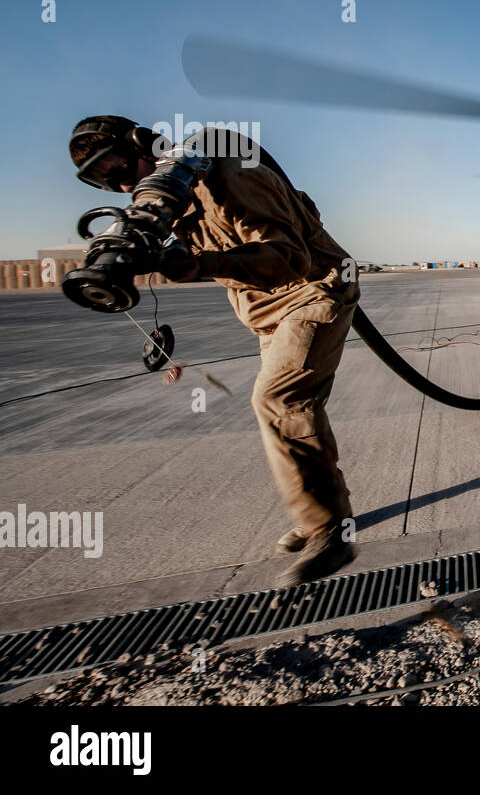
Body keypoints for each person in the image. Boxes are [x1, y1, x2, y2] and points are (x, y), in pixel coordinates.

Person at [68, 116, 359, 587]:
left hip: (313, 292)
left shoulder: (230, 175)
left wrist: (196, 264)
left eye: (118, 165)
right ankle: (319, 515)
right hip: (267, 311)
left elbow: (289, 258)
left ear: (144, 145)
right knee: (293, 412)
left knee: (280, 401)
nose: (120, 183)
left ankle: (330, 535)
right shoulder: (173, 200)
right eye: (102, 180)